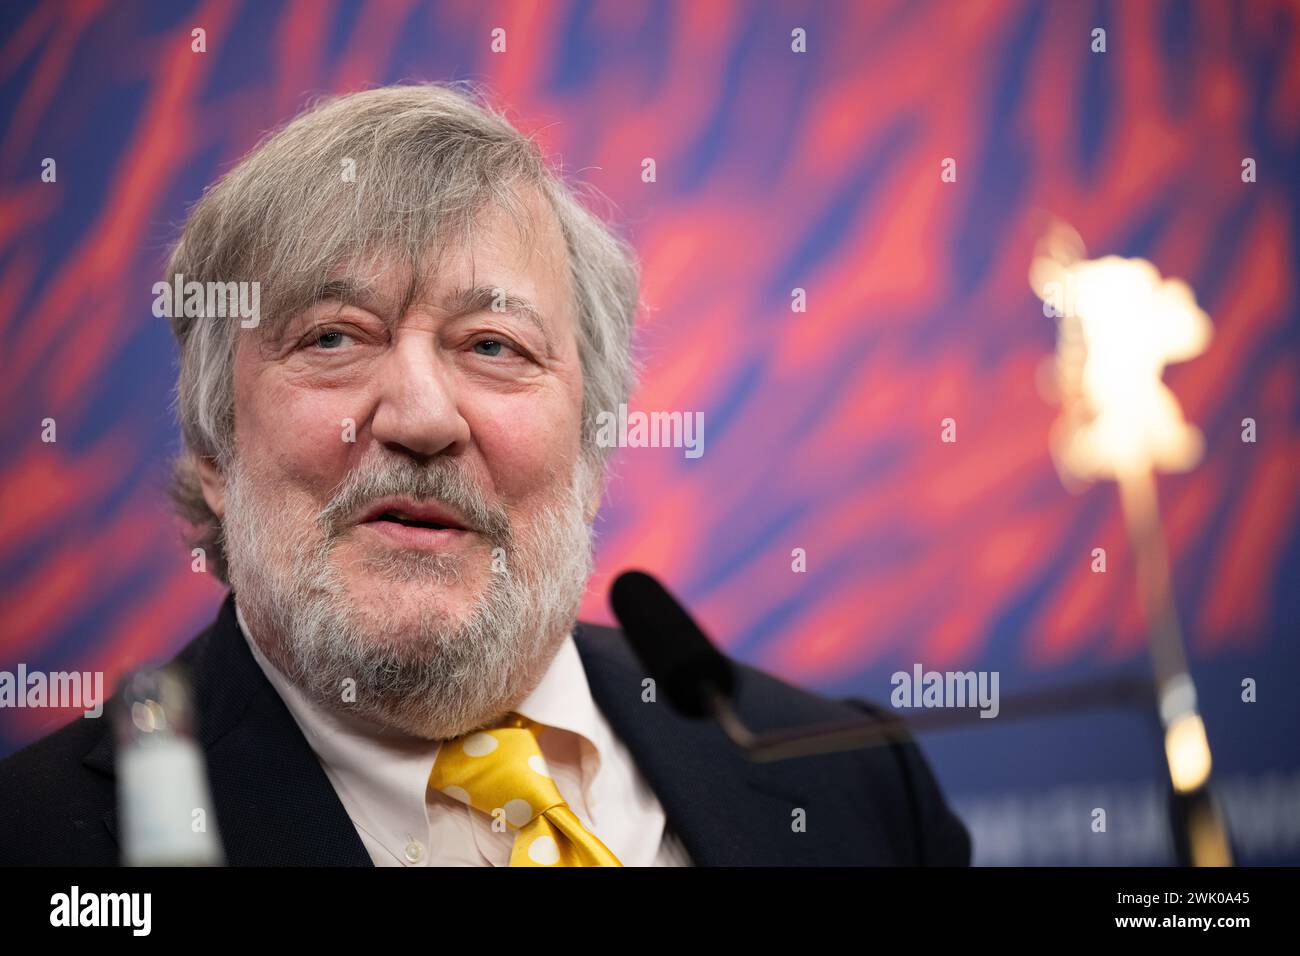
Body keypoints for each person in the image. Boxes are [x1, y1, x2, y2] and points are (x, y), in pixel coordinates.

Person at [0, 82, 970, 867]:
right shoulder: (46, 838)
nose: (420, 417)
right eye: (333, 336)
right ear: (214, 446)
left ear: (594, 444)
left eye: (495, 345)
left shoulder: (852, 786)